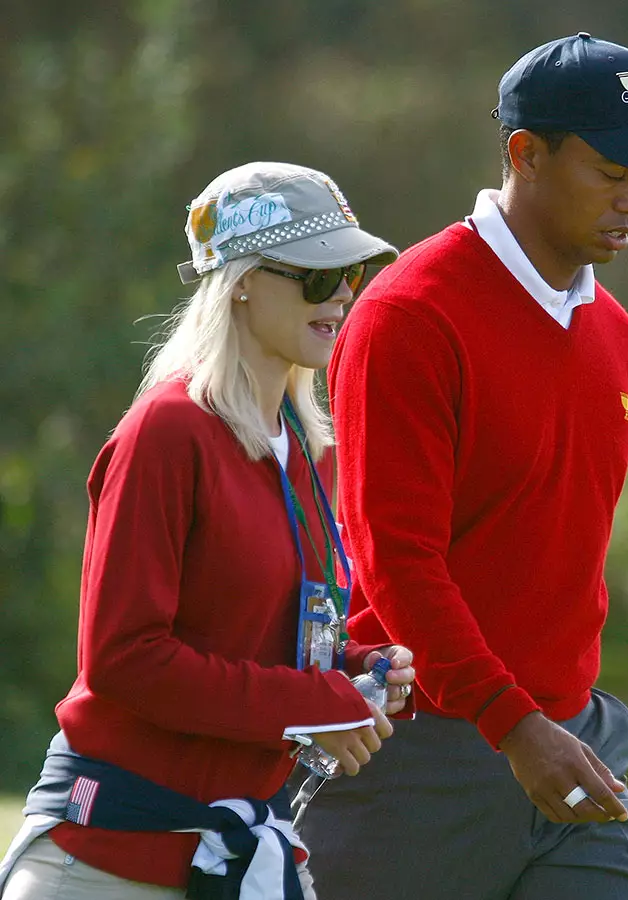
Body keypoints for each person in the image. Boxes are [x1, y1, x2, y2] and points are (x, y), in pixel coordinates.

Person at [299, 33, 628, 900]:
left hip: (572, 736)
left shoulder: (614, 334)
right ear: (526, 153)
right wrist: (513, 725)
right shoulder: (410, 317)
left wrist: (550, 724)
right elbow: (398, 563)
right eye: (612, 172)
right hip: (422, 759)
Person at [0, 161, 415, 900]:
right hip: (104, 863)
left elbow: (257, 634)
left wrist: (356, 670)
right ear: (244, 279)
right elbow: (125, 658)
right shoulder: (167, 431)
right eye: (319, 277)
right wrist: (312, 705)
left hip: (236, 858)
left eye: (350, 275)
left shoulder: (311, 451)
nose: (343, 295)